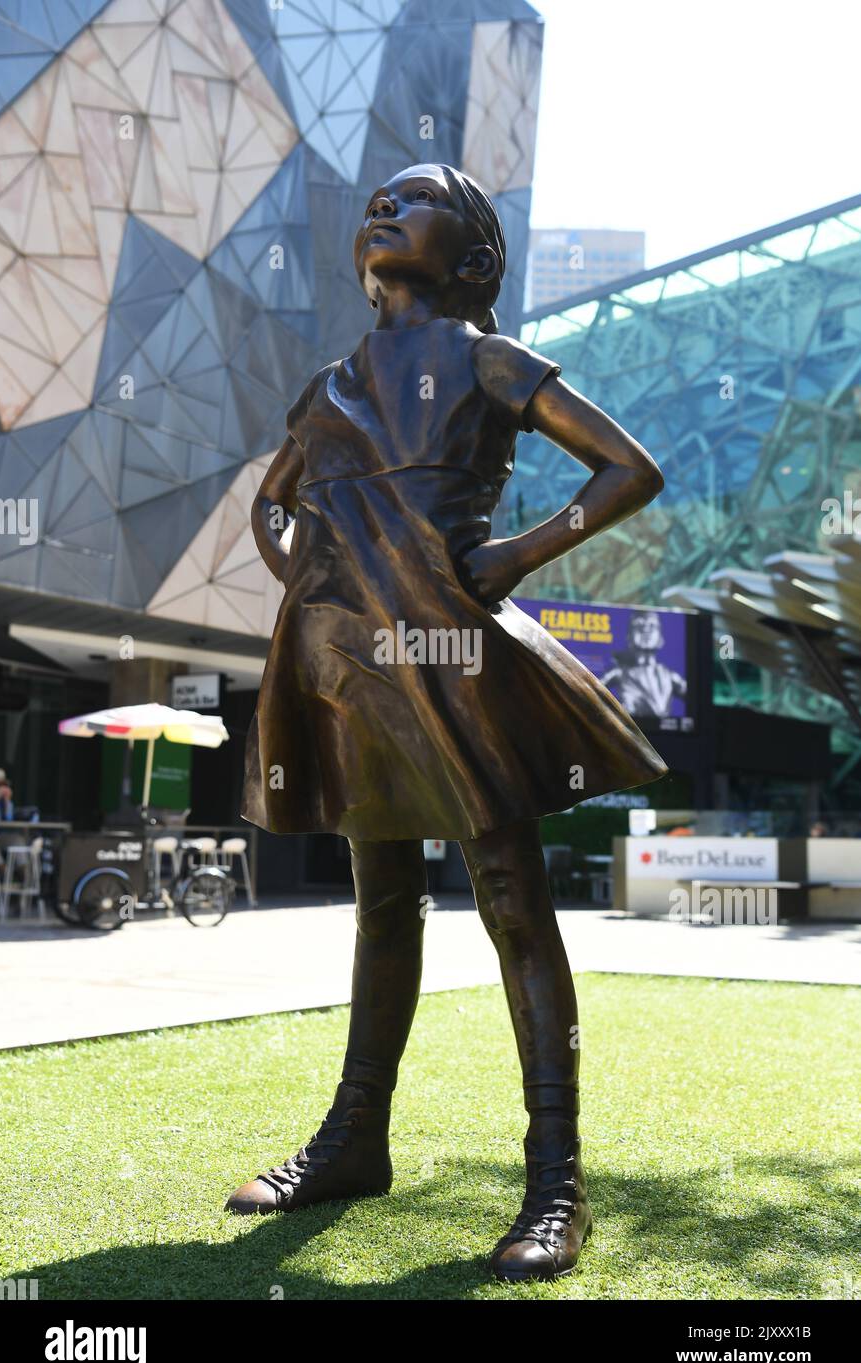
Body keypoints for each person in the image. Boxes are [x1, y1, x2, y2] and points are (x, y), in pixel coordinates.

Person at [228, 165, 667, 1281]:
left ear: (473, 262)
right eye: (376, 199)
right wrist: (305, 579)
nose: (383, 206)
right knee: (379, 904)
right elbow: (271, 499)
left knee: (511, 899)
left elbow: (627, 469)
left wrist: (514, 556)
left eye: (414, 199)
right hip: (348, 662)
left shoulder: (488, 359)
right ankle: (352, 1140)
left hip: (455, 655)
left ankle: (555, 1177)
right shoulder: (329, 382)